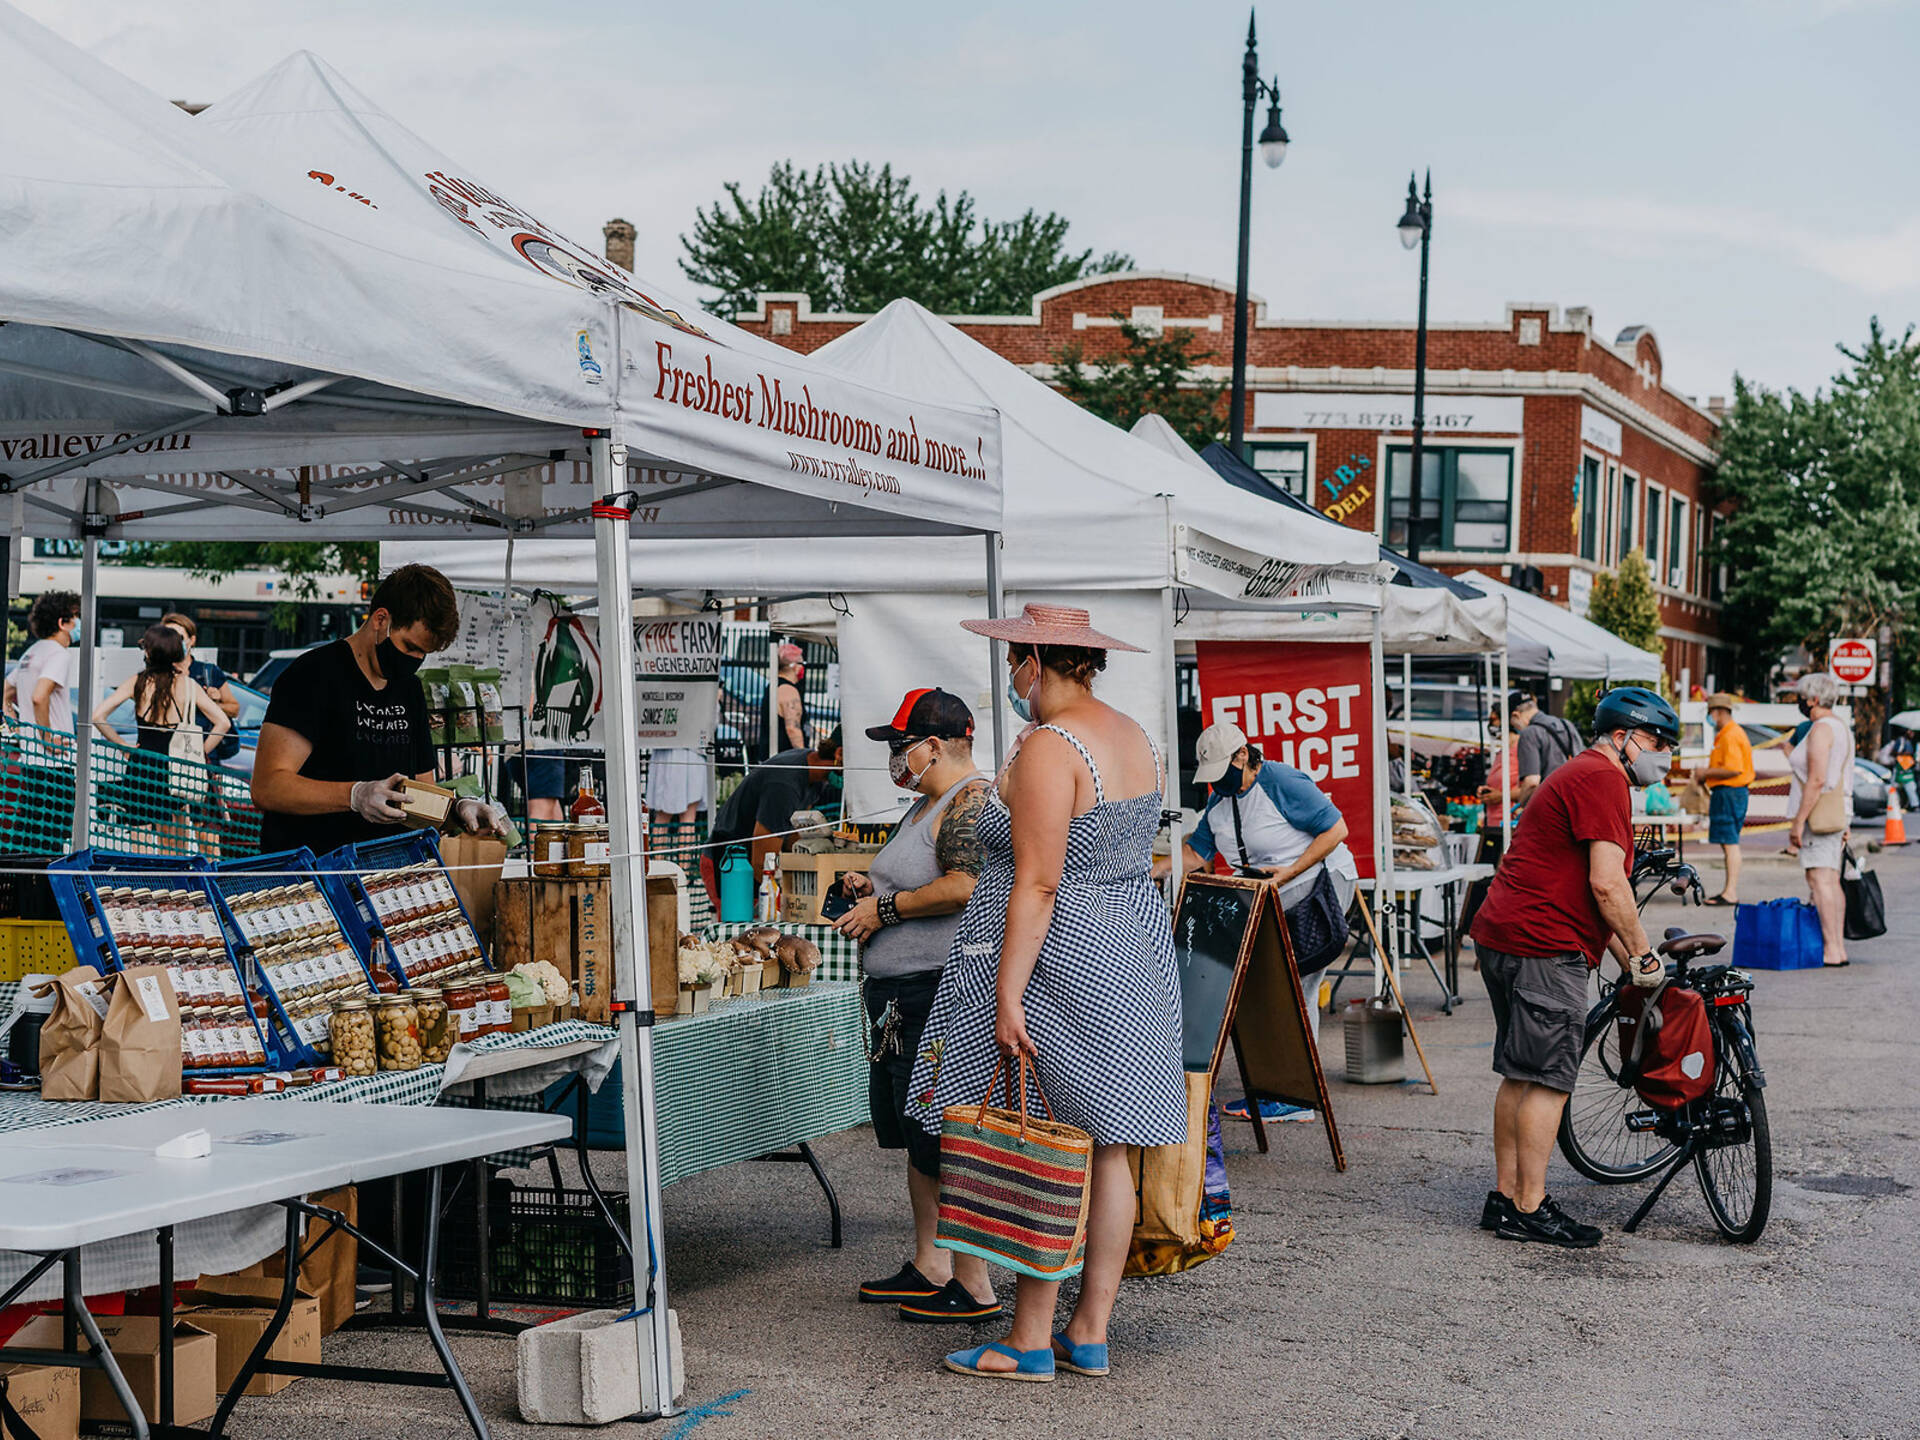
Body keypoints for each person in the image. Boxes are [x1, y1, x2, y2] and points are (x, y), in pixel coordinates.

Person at [909, 604, 1185, 1383]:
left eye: (1012, 660)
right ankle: (1087, 1331)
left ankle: (1028, 1338)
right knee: (1111, 1146)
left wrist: (1008, 992)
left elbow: (1036, 882)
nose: (1008, 675)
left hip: (1067, 956)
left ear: (1035, 658)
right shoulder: (1135, 735)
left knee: (1046, 1140)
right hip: (1133, 946)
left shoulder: (1049, 746)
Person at [1468, 686, 1677, 1249]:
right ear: (1622, 737)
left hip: (1505, 936)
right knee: (1548, 1080)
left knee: (1521, 1072)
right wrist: (1645, 958)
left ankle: (1507, 1199)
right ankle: (1530, 1206)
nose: (1665, 753)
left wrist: (1628, 961)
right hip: (1543, 946)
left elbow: (1598, 899)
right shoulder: (1604, 779)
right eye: (1657, 740)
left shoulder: (1581, 773)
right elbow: (1607, 884)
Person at [831, 689, 997, 1323]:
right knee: (912, 1131)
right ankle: (931, 1265)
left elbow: (966, 884)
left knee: (942, 1132)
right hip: (900, 992)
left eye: (902, 748)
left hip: (934, 990)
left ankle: (973, 1283)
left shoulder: (970, 800)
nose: (896, 761)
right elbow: (920, 877)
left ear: (934, 745)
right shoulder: (925, 805)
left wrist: (887, 907)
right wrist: (868, 886)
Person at [1173, 720, 1356, 1125]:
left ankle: (1296, 1095)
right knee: (1271, 985)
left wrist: (1287, 872)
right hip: (1268, 892)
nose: (1216, 783)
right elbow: (1194, 852)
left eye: (1222, 773)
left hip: (1317, 885)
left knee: (1296, 983)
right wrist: (1147, 868)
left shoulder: (1282, 781)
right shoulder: (1220, 802)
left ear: (1243, 756)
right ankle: (1281, 1086)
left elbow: (1336, 830)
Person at [251, 564, 506, 855]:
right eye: (410, 647)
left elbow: (422, 796)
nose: (416, 659)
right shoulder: (313, 674)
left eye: (424, 653)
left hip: (385, 878)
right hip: (313, 875)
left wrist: (458, 808)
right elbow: (268, 786)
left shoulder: (409, 689)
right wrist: (354, 795)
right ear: (381, 619)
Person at [89, 625, 232, 847]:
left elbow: (98, 716)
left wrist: (123, 747)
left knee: (140, 842)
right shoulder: (188, 685)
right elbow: (223, 722)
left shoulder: (137, 682)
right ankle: (173, 882)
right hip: (176, 768)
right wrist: (201, 751)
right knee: (174, 842)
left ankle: (142, 881)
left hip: (142, 767)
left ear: (148, 652)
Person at [707, 726, 842, 883]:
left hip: (744, 864)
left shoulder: (814, 774)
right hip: (729, 864)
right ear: (839, 754)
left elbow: (795, 835)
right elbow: (762, 864)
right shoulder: (784, 785)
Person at [1785, 672, 1855, 968]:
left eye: (1802, 696)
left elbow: (1816, 779)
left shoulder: (1821, 729)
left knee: (1819, 878)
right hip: (1837, 810)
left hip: (1819, 813)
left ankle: (1832, 948)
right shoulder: (1840, 727)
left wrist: (1799, 821)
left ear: (1813, 699)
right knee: (1829, 878)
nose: (1800, 701)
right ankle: (1836, 946)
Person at [159, 613, 241, 764]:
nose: (174, 643)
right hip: (167, 753)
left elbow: (234, 709)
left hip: (205, 753)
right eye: (169, 637)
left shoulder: (208, 672)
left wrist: (213, 703)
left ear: (192, 640)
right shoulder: (159, 674)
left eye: (180, 638)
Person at [1696, 693, 1754, 906]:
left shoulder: (1730, 735)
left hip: (1730, 792)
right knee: (1728, 842)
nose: (1710, 717)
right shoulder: (1727, 734)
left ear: (1718, 712)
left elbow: (1733, 768)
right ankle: (1729, 890)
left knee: (1730, 842)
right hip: (1729, 793)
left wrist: (1705, 773)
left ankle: (1730, 892)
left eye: (1711, 712)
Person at [4, 589, 81, 742]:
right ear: (62, 623)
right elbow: (39, 696)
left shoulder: (31, 652)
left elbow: (5, 692)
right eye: (75, 617)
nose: (78, 622)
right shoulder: (59, 654)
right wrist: (47, 740)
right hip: (56, 759)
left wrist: (15, 728)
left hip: (29, 754)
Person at [1504, 690, 1581, 807]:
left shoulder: (1529, 733)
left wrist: (1522, 806)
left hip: (1551, 806)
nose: (1516, 728)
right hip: (1576, 801)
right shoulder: (1566, 724)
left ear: (1516, 715)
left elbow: (1532, 783)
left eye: (1513, 724)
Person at [754, 642, 810, 762]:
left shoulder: (774, 686)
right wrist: (803, 759)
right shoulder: (788, 690)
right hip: (785, 760)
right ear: (794, 665)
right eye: (802, 663)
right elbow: (792, 728)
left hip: (772, 757)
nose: (803, 667)